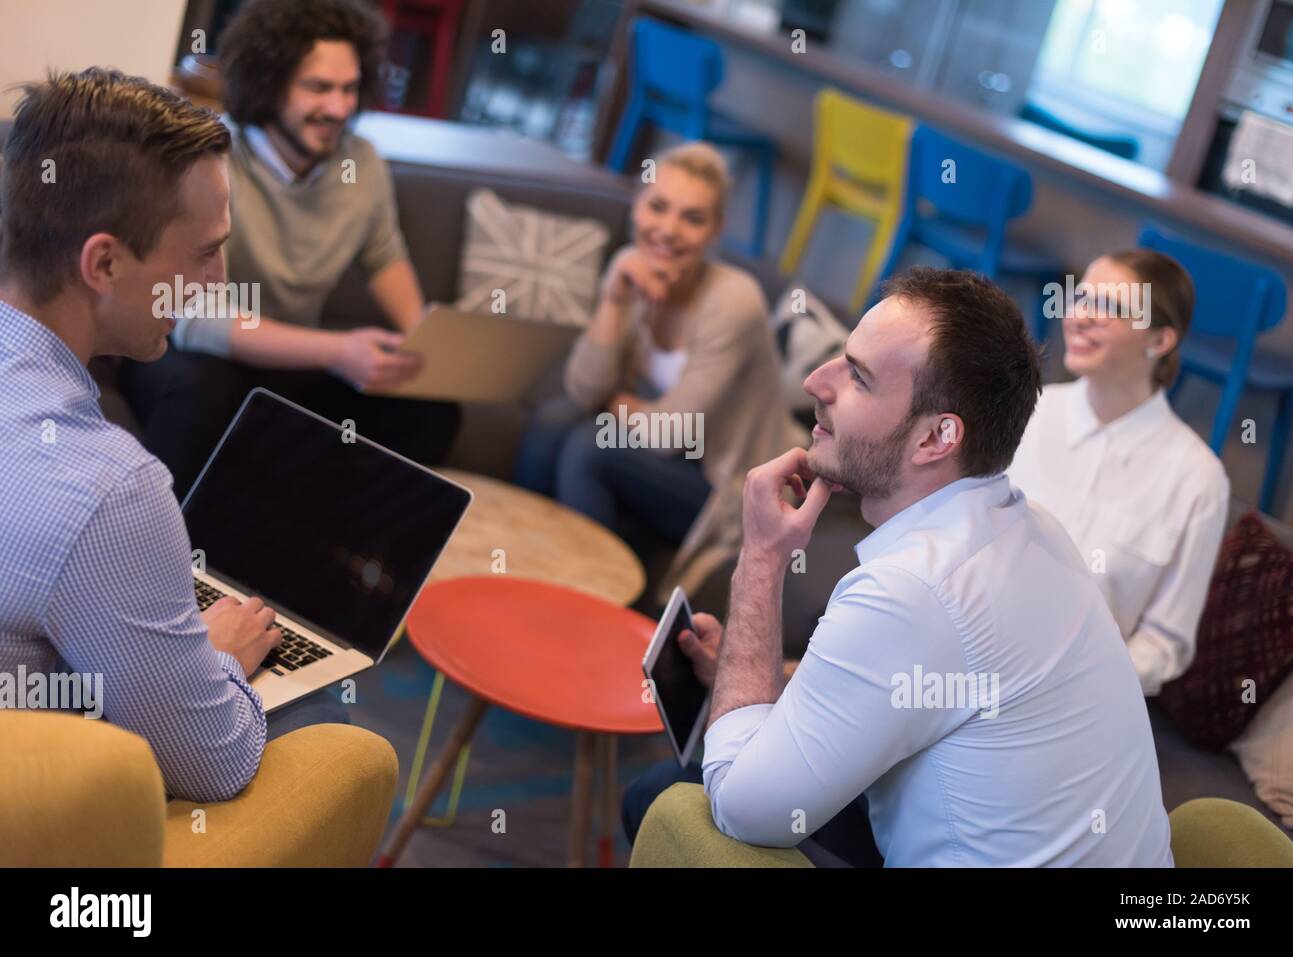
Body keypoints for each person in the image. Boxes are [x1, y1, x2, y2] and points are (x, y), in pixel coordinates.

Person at [629, 267, 1173, 866]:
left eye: (858, 379)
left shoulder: (911, 589)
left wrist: (761, 557)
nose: (815, 380)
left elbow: (741, 805)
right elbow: (917, 692)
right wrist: (761, 678)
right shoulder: (1031, 525)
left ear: (935, 439)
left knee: (666, 800)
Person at [0, 68, 342, 803]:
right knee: (346, 744)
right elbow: (212, 766)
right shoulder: (110, 489)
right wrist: (214, 657)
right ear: (105, 262)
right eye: (204, 252)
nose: (218, 281)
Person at [120, 0, 458, 500]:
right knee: (201, 388)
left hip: (290, 359)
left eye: (349, 88)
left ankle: (333, 552)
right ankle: (165, 554)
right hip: (192, 354)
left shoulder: (361, 165)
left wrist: (425, 344)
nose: (339, 108)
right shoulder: (212, 162)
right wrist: (339, 351)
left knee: (431, 410)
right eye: (319, 87)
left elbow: (383, 256)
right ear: (269, 82)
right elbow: (201, 321)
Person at [514, 142, 803, 601]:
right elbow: (583, 388)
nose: (667, 230)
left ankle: (589, 605)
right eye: (658, 207)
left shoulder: (734, 301)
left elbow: (670, 433)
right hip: (666, 449)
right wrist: (614, 299)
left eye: (692, 218)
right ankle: (521, 570)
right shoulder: (631, 268)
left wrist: (619, 405)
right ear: (637, 207)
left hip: (726, 482)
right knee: (553, 423)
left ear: (715, 231)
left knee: (591, 447)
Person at [1007, 250, 1229, 696]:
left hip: (1076, 699)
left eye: (1109, 307)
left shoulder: (1198, 480)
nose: (1080, 317)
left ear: (1159, 341)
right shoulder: (1027, 410)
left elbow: (1165, 642)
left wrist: (1088, 683)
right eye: (1081, 298)